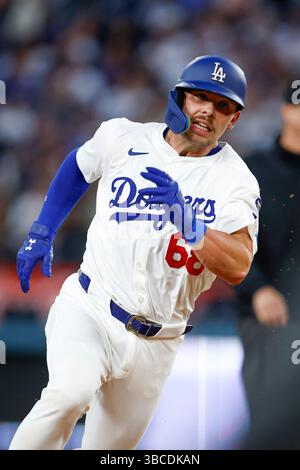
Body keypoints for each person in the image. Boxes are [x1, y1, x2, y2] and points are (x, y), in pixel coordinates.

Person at [10, 55, 260, 450]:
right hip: (91, 307)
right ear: (179, 97)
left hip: (158, 341)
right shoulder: (122, 137)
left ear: (234, 120)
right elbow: (78, 166)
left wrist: (188, 220)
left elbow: (239, 265)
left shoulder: (236, 181)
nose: (208, 110)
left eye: (223, 105)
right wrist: (43, 228)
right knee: (67, 395)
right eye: (200, 97)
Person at [236, 78, 300, 449]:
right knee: (272, 426)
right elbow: (230, 241)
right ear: (286, 111)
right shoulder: (254, 170)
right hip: (266, 317)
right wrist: (256, 289)